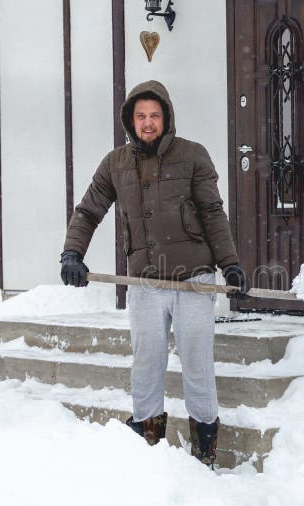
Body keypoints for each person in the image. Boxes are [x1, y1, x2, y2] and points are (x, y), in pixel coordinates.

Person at [60, 80, 249, 467]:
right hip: (145, 282)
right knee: (147, 362)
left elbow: (213, 214)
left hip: (194, 280)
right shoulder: (116, 163)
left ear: (167, 118)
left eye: (155, 115)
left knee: (197, 363)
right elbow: (89, 210)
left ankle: (204, 453)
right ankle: (147, 451)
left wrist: (230, 265)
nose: (148, 123)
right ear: (131, 120)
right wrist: (72, 253)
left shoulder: (193, 155)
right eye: (141, 116)